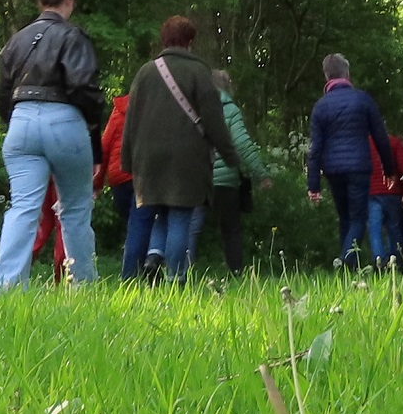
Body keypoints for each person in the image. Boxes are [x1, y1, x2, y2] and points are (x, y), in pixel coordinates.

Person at [0, 0, 104, 290]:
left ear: (39, 1)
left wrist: (17, 121)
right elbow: (84, 88)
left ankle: (5, 288)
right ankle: (81, 286)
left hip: (21, 121)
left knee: (23, 208)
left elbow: (2, 95)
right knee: (75, 209)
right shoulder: (73, 37)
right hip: (64, 120)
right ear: (69, 1)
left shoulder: (16, 41)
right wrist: (92, 132)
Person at [121, 16, 240, 286]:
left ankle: (134, 276)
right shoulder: (199, 72)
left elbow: (131, 121)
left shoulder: (145, 72)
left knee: (153, 215)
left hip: (147, 160)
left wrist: (128, 161)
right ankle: (176, 280)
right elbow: (214, 121)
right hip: (186, 159)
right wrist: (231, 157)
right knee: (180, 218)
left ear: (164, 40)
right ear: (190, 41)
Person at [306, 53, 395, 268]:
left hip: (333, 170)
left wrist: (313, 185)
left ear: (327, 76)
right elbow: (381, 137)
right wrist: (389, 169)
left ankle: (350, 270)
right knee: (358, 219)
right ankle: (346, 261)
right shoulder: (363, 99)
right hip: (359, 168)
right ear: (347, 73)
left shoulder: (320, 106)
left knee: (345, 218)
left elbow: (315, 149)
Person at [186, 70, 273, 276]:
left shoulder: (192, 107)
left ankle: (182, 272)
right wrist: (262, 174)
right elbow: (242, 144)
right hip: (226, 181)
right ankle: (236, 273)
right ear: (227, 86)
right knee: (231, 229)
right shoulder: (231, 110)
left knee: (190, 226)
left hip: (198, 177)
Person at [367, 133, 403, 267]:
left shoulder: (364, 143)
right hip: (392, 191)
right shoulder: (394, 142)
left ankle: (379, 262)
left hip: (371, 192)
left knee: (375, 230)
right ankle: (396, 263)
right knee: (394, 228)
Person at [93, 93, 134, 220]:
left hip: (119, 177)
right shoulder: (150, 108)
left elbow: (104, 147)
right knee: (142, 225)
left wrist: (97, 183)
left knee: (132, 223)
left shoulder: (119, 111)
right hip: (141, 176)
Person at [30, 178, 67, 283]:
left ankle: (12, 277)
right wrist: (97, 182)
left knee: (37, 231)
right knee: (65, 230)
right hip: (67, 176)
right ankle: (62, 281)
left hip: (40, 175)